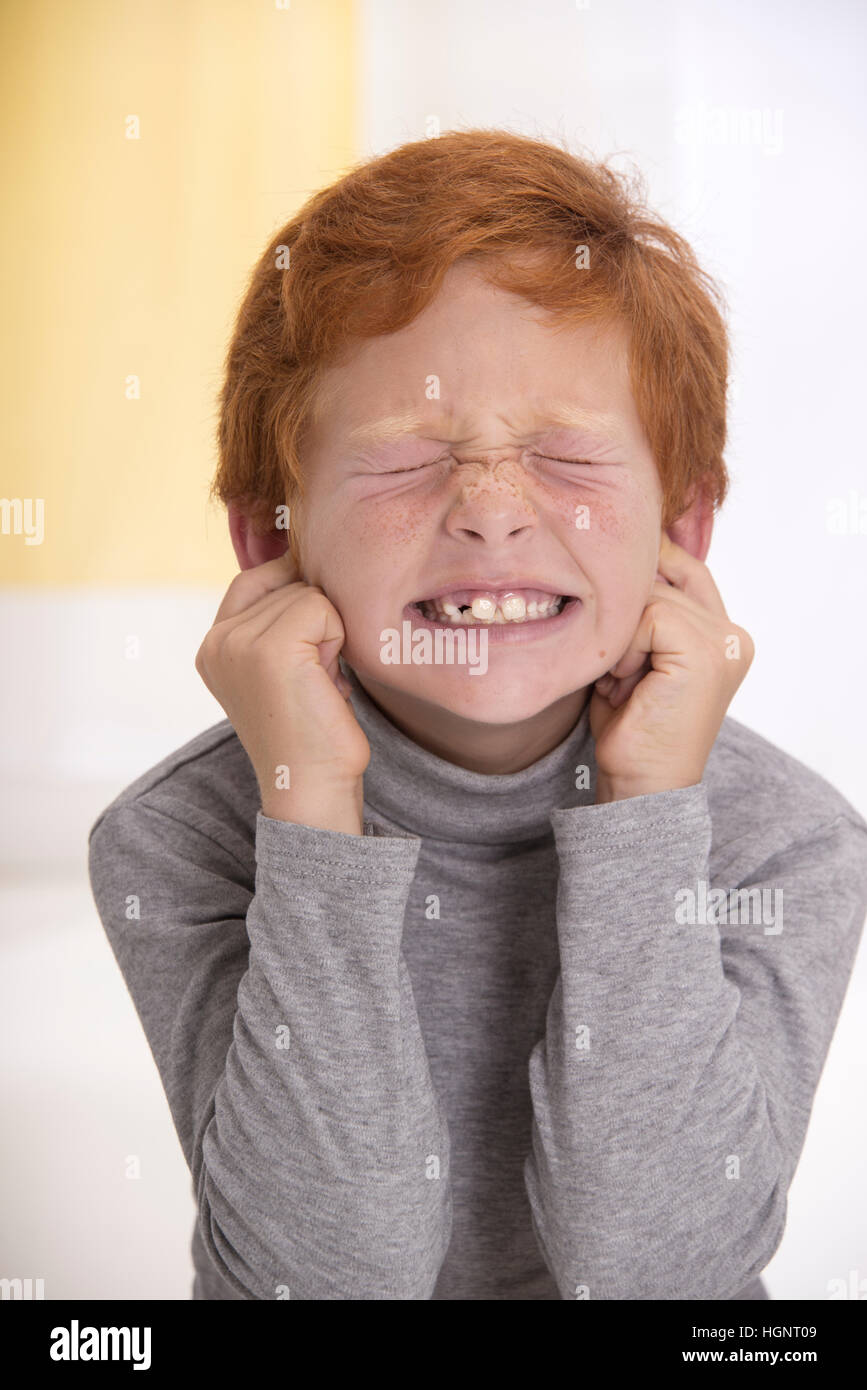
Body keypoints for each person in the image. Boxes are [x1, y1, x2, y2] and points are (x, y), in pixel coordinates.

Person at [88, 129, 867, 1300]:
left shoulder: (788, 840)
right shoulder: (176, 841)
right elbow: (331, 1279)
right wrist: (310, 812)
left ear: (684, 531)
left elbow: (660, 1274)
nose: (493, 513)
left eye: (565, 455)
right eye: (406, 461)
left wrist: (652, 813)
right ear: (270, 535)